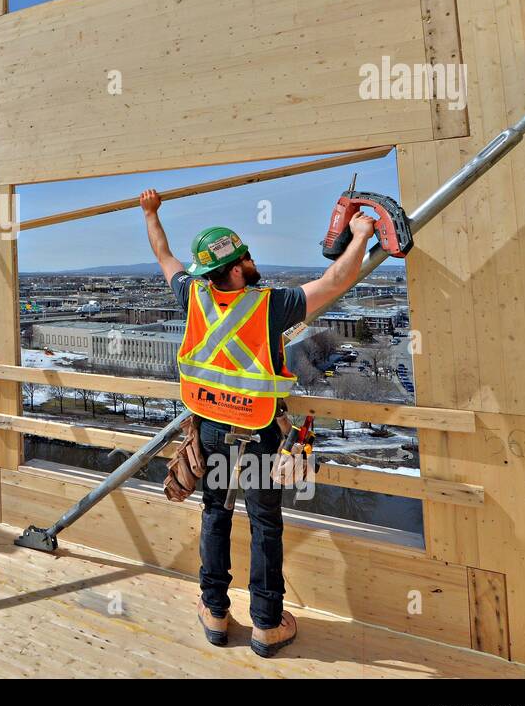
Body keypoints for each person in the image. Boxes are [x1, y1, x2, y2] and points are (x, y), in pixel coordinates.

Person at [139, 188, 377, 657]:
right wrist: (362, 234)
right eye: (244, 256)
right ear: (232, 268)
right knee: (265, 522)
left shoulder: (194, 295)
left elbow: (163, 253)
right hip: (259, 431)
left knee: (216, 513)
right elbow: (336, 280)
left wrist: (150, 212)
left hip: (210, 428)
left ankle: (215, 613)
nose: (251, 260)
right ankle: (267, 625)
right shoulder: (271, 306)